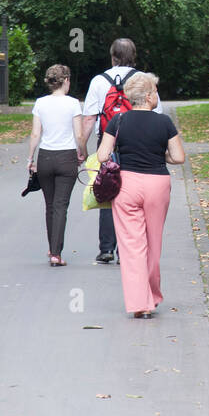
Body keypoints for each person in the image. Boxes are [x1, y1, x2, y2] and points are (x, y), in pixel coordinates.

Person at [95, 72, 185, 318]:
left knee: (132, 245)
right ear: (147, 96)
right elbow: (178, 157)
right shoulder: (164, 123)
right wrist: (158, 155)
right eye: (155, 91)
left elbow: (103, 156)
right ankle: (153, 295)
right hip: (157, 184)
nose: (157, 95)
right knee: (153, 243)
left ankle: (140, 304)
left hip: (127, 185)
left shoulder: (118, 121)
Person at [78, 38, 138, 264]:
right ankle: (126, 250)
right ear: (133, 55)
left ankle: (106, 248)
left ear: (112, 56)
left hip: (107, 143)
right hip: (136, 144)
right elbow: (156, 114)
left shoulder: (99, 81)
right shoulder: (142, 80)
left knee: (106, 189)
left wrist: (82, 149)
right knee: (131, 194)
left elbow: (89, 118)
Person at [27, 64, 86, 266]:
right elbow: (79, 134)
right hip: (66, 157)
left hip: (45, 158)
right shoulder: (73, 104)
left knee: (50, 205)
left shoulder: (40, 103)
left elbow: (36, 134)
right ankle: (56, 253)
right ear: (66, 80)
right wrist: (82, 152)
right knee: (61, 206)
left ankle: (52, 248)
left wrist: (30, 158)